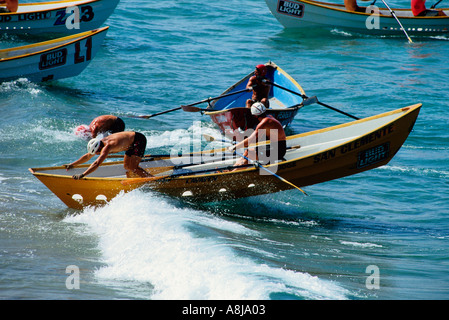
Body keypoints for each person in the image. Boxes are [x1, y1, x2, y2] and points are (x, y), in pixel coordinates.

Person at [65, 131, 152, 179]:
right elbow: (88, 156)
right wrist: (72, 164)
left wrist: (83, 175)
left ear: (99, 148)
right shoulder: (99, 144)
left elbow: (96, 164)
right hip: (130, 144)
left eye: (97, 152)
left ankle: (151, 179)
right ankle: (139, 177)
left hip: (138, 140)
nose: (96, 154)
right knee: (127, 166)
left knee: (133, 167)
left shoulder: (107, 147)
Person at [229, 102, 287, 169]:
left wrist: (235, 147)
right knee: (248, 151)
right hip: (276, 146)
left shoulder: (264, 123)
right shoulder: (269, 117)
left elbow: (250, 140)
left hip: (278, 150)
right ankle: (233, 169)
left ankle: (235, 173)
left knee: (251, 154)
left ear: (255, 116)